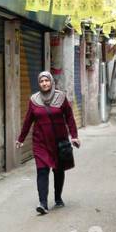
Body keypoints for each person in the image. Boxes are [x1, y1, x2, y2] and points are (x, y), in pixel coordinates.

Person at [16, 71, 79, 215]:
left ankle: (58, 197)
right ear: (39, 84)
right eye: (41, 81)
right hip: (41, 142)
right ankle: (43, 203)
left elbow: (69, 117)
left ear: (51, 81)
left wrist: (74, 136)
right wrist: (21, 138)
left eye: (46, 80)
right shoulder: (34, 100)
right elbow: (28, 121)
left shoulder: (61, 97)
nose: (44, 83)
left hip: (59, 141)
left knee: (58, 170)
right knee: (42, 170)